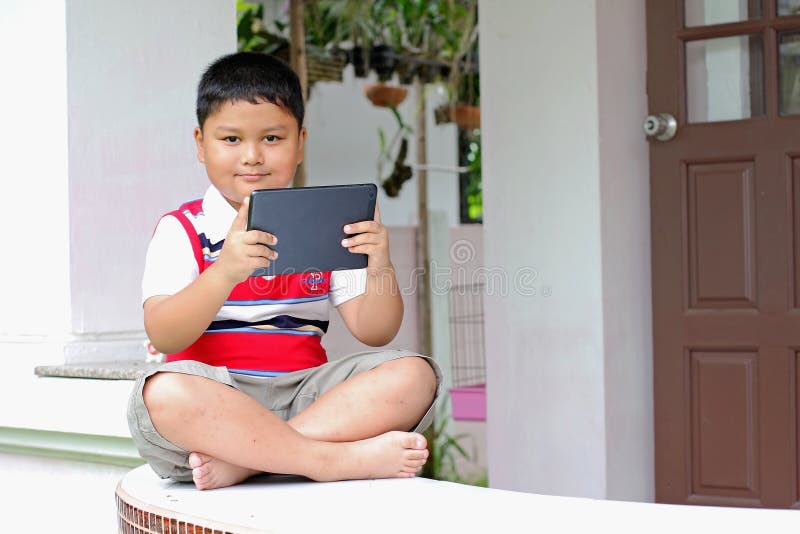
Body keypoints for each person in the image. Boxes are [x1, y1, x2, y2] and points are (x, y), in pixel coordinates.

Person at [127, 52, 441, 491]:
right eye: (231, 139)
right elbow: (165, 335)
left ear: (300, 141)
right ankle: (325, 459)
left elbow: (376, 331)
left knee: (415, 374)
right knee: (162, 393)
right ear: (200, 144)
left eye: (272, 138)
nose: (253, 156)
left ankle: (253, 461)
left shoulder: (328, 225)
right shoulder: (182, 230)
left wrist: (380, 263)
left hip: (305, 402)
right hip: (218, 409)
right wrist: (224, 272)